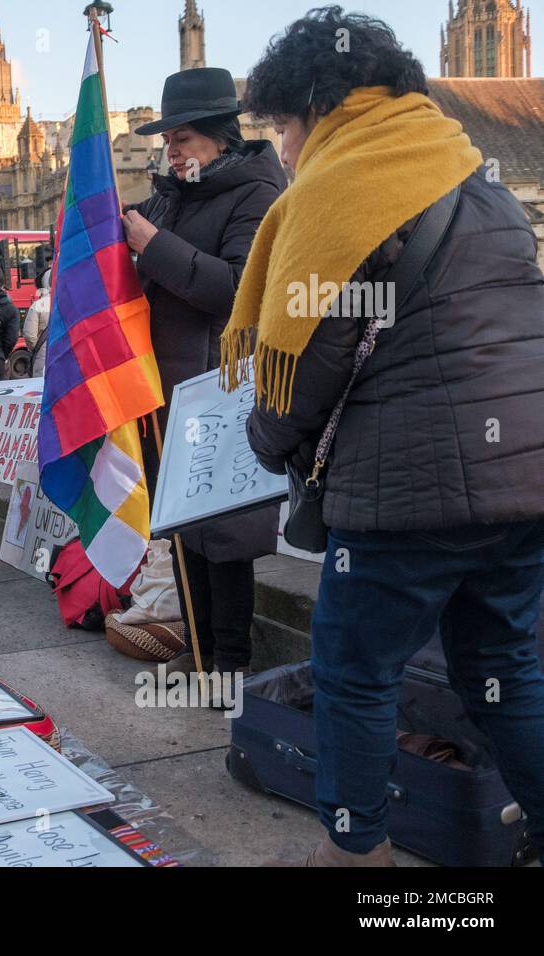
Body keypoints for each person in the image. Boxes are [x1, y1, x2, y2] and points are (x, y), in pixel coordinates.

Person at [233, 7, 544, 866]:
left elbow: (306, 366)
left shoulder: (347, 192)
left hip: (408, 496)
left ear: (320, 109)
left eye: (285, 128)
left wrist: (264, 439)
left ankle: (357, 860)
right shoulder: (479, 186)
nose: (285, 152)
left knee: (356, 676)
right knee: (506, 672)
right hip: (525, 485)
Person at [122, 66, 288, 681]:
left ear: (221, 137)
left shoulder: (258, 192)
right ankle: (198, 653)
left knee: (226, 537)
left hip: (223, 389)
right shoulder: (171, 193)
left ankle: (231, 666)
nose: (171, 151)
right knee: (185, 531)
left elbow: (239, 289)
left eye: (182, 139)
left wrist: (153, 243)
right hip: (168, 390)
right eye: (167, 141)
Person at [23, 269, 52, 376]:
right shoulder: (69, 302)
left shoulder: (38, 305)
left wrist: (37, 348)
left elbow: (29, 335)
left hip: (43, 359)